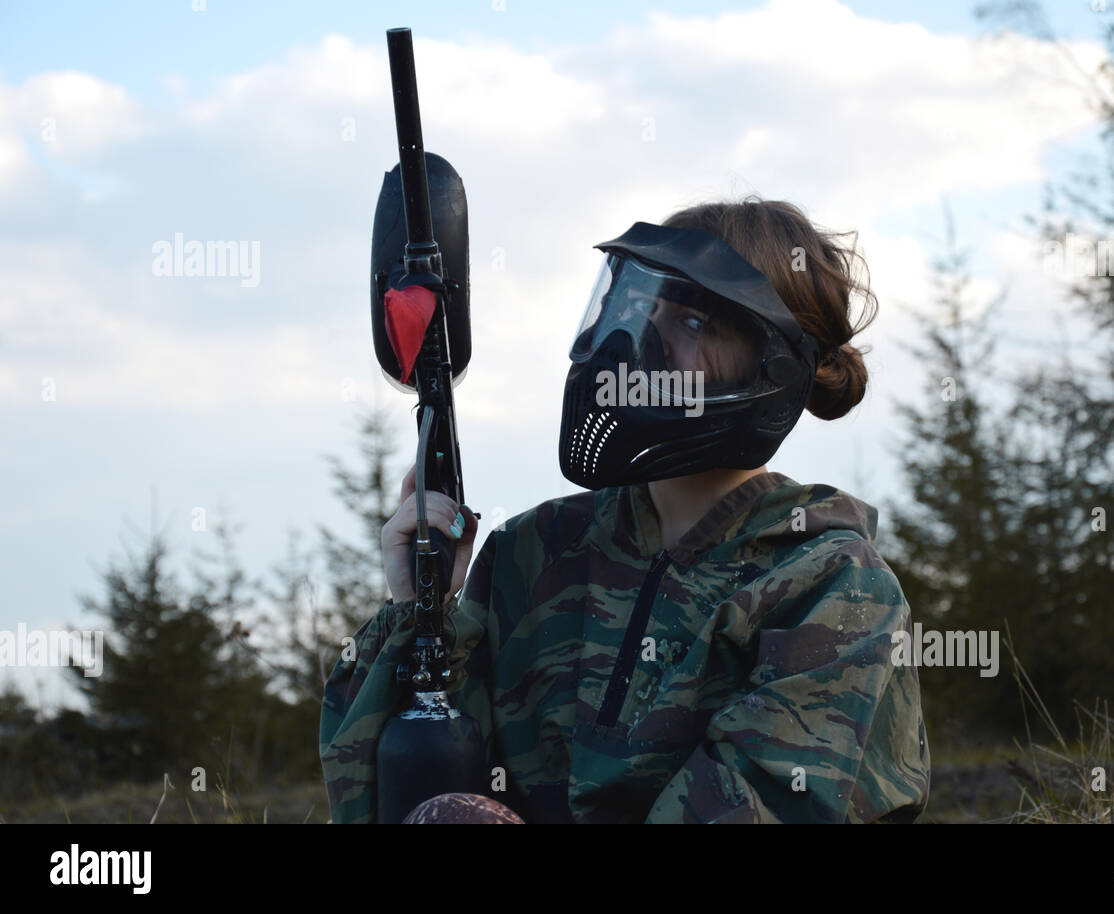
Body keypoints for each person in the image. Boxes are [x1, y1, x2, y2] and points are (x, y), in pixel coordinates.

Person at [320, 197, 930, 823]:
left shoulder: (829, 585)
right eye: (641, 308)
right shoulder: (534, 554)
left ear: (770, 363)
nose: (639, 346)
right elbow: (380, 802)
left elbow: (766, 805)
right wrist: (419, 615)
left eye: (693, 324)